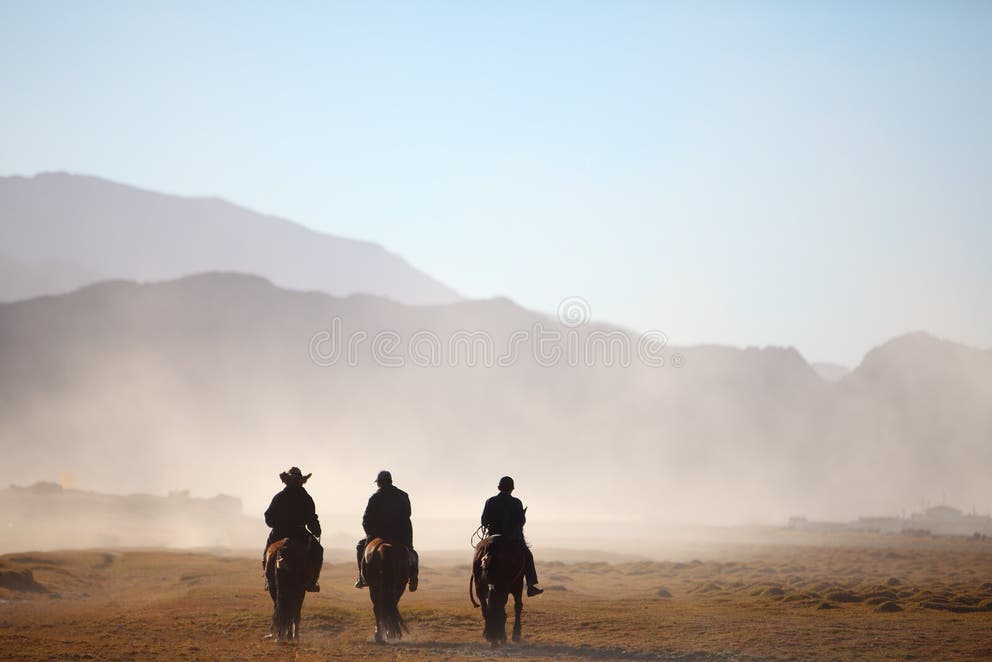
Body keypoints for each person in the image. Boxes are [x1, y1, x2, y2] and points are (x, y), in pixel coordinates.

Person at [355, 470, 419, 591]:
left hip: (379, 534)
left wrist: (370, 534)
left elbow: (366, 519)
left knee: (360, 547)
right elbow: (408, 514)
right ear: (390, 481)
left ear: (379, 483)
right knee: (412, 553)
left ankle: (362, 578)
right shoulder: (403, 495)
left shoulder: (375, 497)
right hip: (401, 535)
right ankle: (414, 577)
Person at [263, 466, 323, 592]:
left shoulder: (279, 497)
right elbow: (311, 518)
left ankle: (268, 580)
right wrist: (316, 530)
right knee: (318, 551)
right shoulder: (306, 498)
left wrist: (277, 524)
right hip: (300, 533)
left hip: (279, 533)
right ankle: (312, 581)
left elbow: (269, 517)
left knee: (267, 553)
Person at [481, 475, 543, 596]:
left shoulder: (490, 501)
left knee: (481, 559)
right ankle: (531, 586)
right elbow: (521, 522)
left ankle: (481, 584)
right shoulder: (516, 502)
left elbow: (484, 521)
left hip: (493, 540)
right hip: (512, 540)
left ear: (499, 487)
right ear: (512, 489)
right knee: (528, 557)